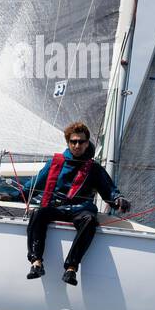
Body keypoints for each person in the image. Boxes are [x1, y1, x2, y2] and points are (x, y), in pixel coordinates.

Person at [23, 121, 129, 286]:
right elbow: (34, 185)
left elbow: (110, 191)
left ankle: (71, 267)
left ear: (87, 143)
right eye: (73, 142)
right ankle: (36, 263)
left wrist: (118, 200)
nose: (77, 145)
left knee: (90, 220)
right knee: (37, 213)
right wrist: (13, 195)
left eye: (81, 141)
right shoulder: (55, 163)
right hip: (55, 208)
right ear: (68, 143)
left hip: (80, 211)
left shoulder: (94, 168)